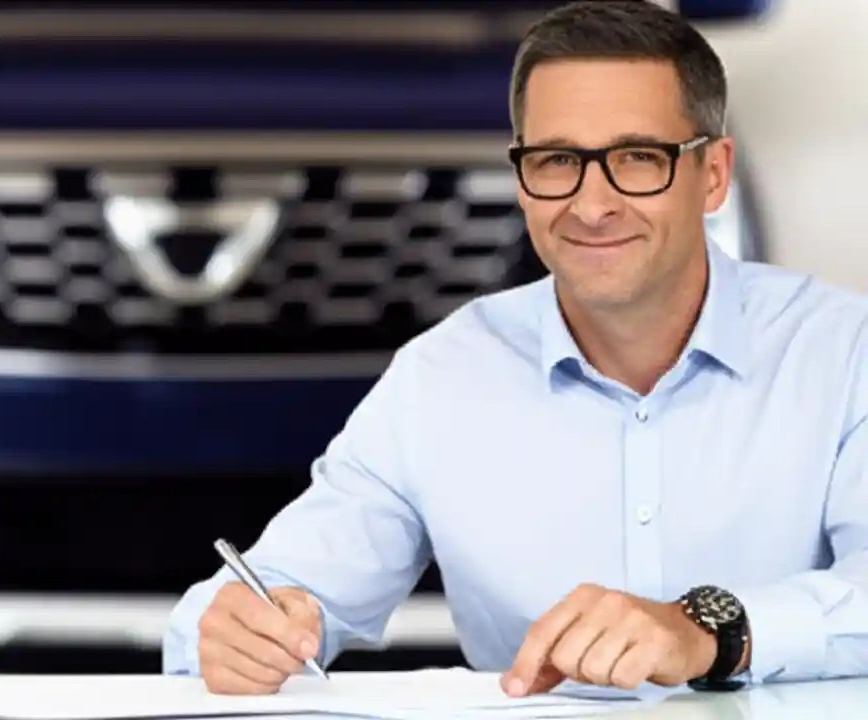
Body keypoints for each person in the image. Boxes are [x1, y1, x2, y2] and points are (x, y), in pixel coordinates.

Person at [161, 0, 868, 698]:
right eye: (559, 161)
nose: (592, 206)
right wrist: (236, 632)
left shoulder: (843, 353)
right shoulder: (441, 377)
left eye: (637, 158)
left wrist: (709, 632)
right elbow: (268, 596)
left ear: (712, 174)